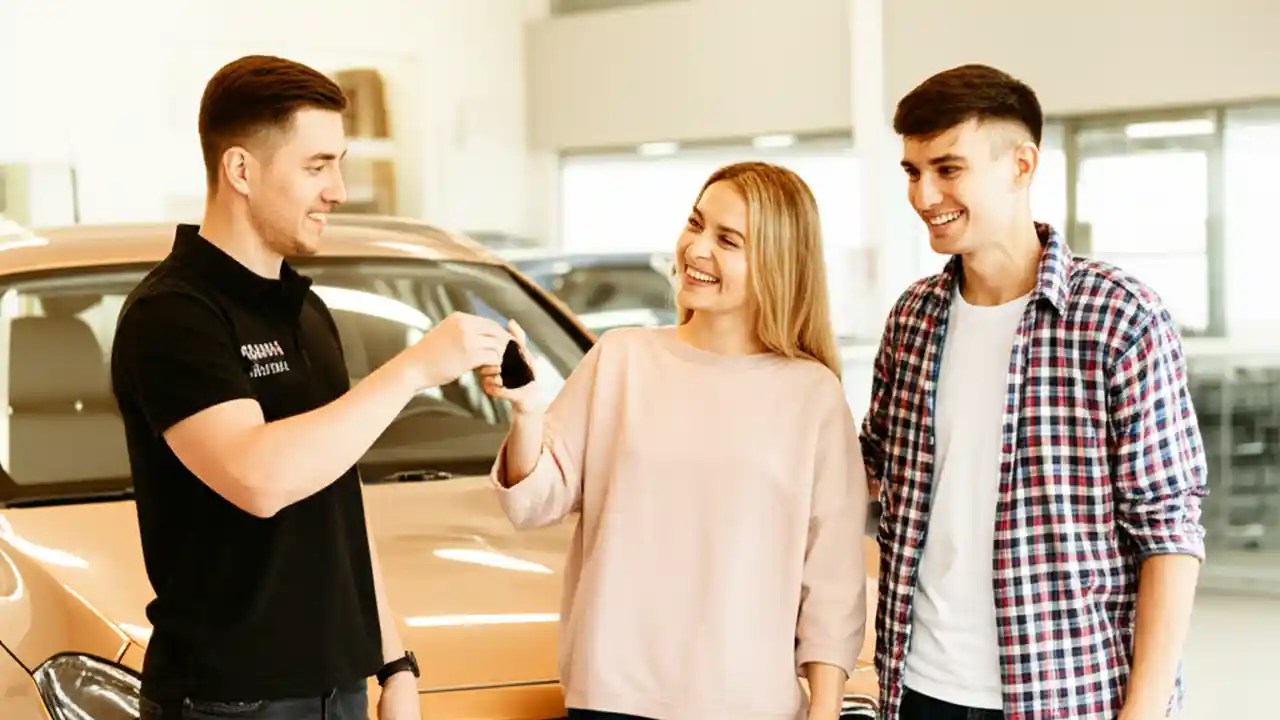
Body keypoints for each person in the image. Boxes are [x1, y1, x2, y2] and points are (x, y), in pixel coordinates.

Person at [110, 55, 513, 720]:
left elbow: (338, 497)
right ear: (241, 170)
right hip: (230, 701)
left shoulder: (306, 312)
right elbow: (258, 479)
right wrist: (413, 370)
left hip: (337, 689)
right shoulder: (175, 314)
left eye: (339, 165)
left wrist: (393, 663)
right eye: (317, 166)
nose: (339, 191)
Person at [860, 63, 1209, 720]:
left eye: (948, 168)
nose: (924, 194)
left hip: (1068, 694)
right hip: (918, 688)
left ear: (1021, 166)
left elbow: (1168, 532)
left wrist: (1142, 711)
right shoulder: (912, 319)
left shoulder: (1121, 318)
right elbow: (870, 472)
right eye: (912, 171)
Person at [482, 161, 868, 720]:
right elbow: (533, 501)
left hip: (749, 706)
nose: (697, 248)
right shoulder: (622, 358)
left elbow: (832, 574)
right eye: (696, 223)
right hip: (613, 697)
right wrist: (527, 413)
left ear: (777, 262)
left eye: (728, 240)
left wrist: (825, 708)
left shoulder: (812, 394)